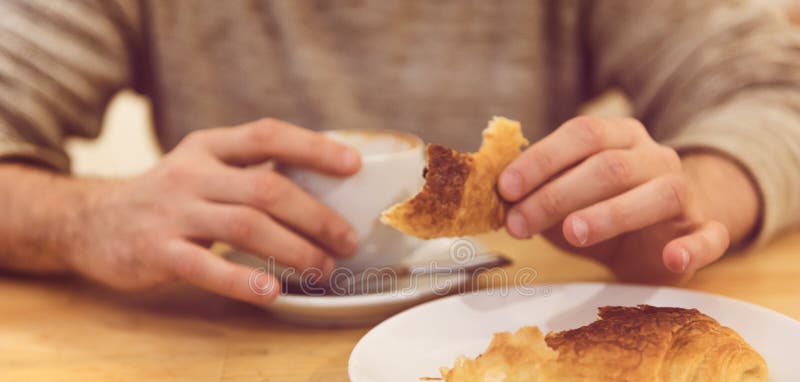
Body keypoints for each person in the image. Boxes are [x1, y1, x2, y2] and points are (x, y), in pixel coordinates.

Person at [0, 1, 798, 305]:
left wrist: (696, 198)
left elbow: (775, 87)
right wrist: (83, 218)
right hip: (208, 368)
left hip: (496, 332)